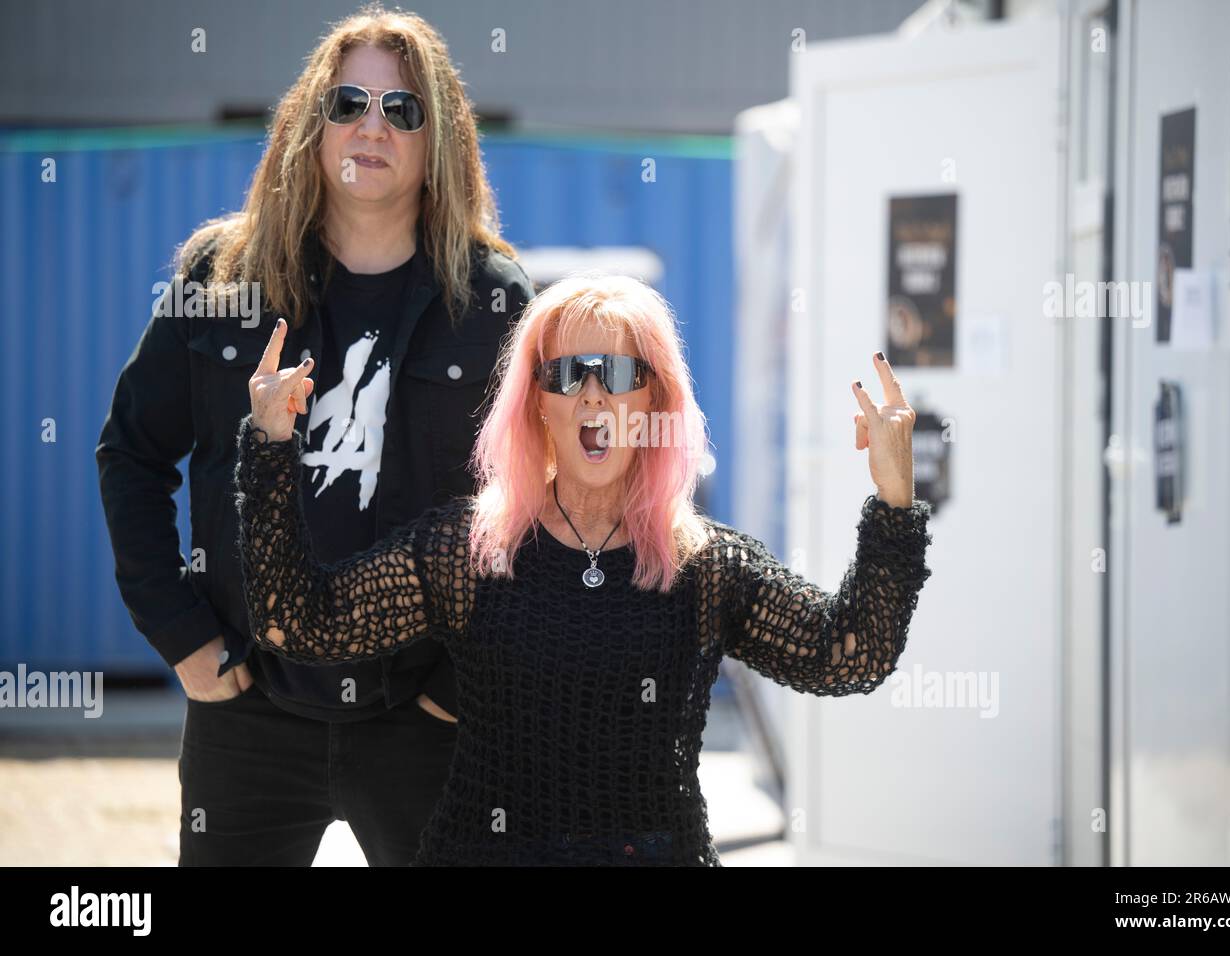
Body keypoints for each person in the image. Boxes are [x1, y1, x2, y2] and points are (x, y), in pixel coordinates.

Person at [234, 273, 934, 866]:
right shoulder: (471, 551)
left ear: (652, 402)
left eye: (621, 374)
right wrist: (268, 446)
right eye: (569, 374)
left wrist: (895, 498)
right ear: (537, 401)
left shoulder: (705, 565)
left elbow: (850, 655)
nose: (594, 396)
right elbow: (298, 623)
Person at [95, 5, 533, 865]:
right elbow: (132, 455)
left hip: (423, 717)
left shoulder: (491, 300)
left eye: (402, 109)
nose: (372, 125)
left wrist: (457, 684)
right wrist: (183, 638)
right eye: (349, 102)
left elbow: (531, 504)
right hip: (249, 715)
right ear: (312, 118)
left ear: (437, 137)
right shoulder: (222, 279)